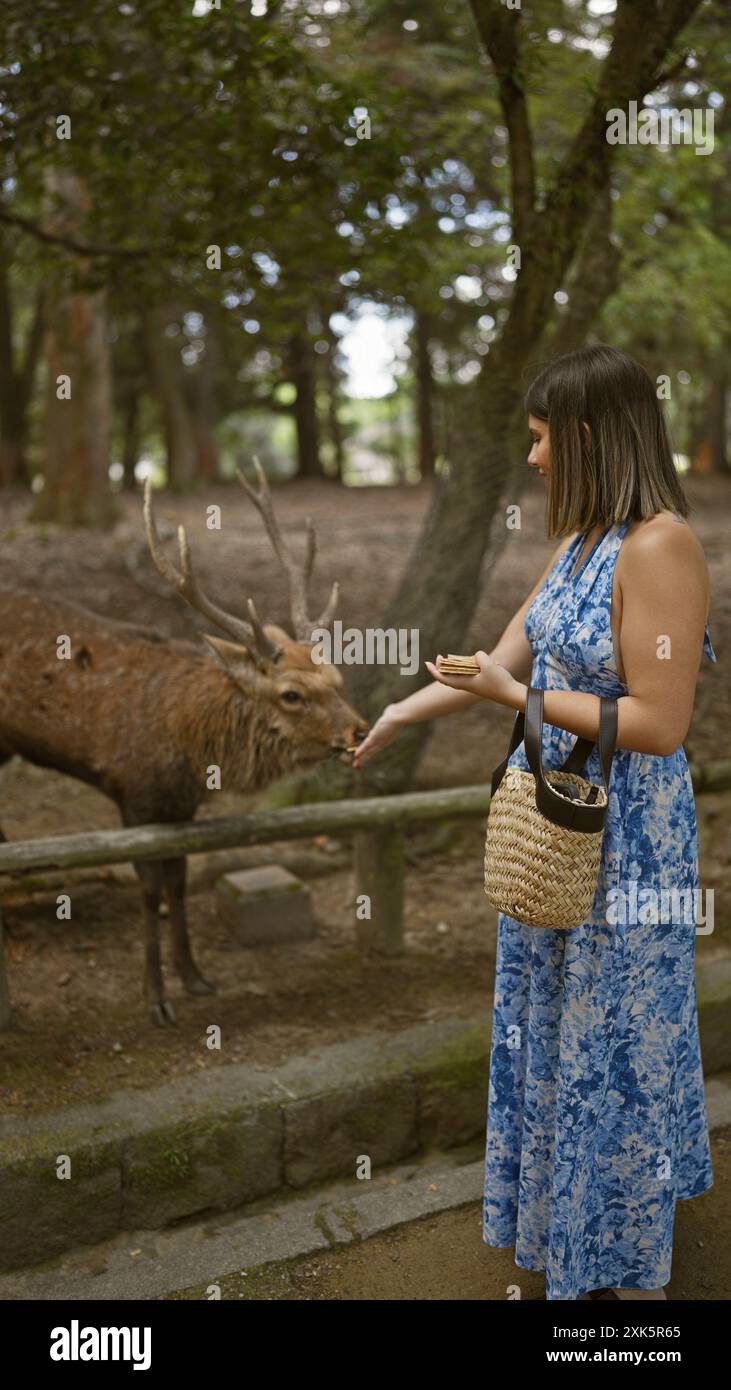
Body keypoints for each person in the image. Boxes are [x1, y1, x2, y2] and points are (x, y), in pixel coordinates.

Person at [352, 344, 716, 1301]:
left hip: (628, 834)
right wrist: (401, 713)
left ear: (589, 436)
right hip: (555, 828)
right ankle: (572, 1233)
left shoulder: (661, 546)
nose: (533, 458)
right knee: (554, 1027)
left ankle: (624, 1275)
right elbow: (498, 663)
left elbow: (659, 722)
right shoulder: (582, 542)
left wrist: (522, 701)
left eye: (543, 438)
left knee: (617, 1039)